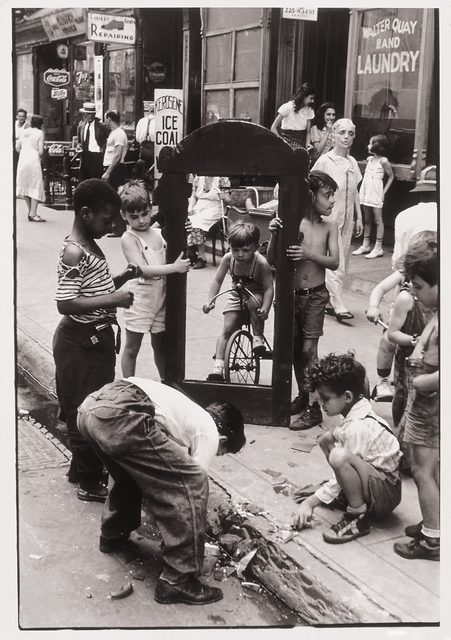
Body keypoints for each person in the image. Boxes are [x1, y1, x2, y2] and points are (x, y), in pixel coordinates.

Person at [77, 376, 246, 604]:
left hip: (93, 407)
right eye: (221, 451)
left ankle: (113, 535)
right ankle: (177, 581)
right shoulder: (209, 432)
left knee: (129, 472)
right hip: (121, 414)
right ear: (223, 438)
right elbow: (192, 485)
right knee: (193, 482)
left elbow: (164, 468)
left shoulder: (186, 411)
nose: (216, 453)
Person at [52, 179, 141, 503]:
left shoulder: (88, 245)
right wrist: (115, 299)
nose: (113, 225)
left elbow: (91, 290)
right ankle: (90, 482)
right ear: (86, 213)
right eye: (107, 219)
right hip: (80, 343)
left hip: (94, 340)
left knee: (87, 405)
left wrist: (120, 279)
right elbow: (65, 302)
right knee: (85, 411)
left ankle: (80, 470)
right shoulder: (75, 250)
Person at [291, 352, 402, 544]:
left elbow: (344, 460)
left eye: (325, 399)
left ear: (347, 396)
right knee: (326, 439)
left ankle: (358, 515)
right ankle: (348, 494)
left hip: (386, 494)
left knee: (338, 456)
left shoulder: (357, 426)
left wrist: (311, 502)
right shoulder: (355, 410)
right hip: (374, 481)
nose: (321, 404)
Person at [267, 171, 339, 430]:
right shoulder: (293, 223)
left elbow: (334, 261)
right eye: (327, 195)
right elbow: (272, 260)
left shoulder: (329, 227)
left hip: (316, 296)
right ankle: (304, 395)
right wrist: (274, 234)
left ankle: (316, 407)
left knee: (310, 350)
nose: (332, 201)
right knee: (295, 349)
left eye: (333, 196)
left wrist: (309, 254)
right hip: (291, 296)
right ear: (311, 197)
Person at [366, 166, 437, 401]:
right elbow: (391, 276)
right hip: (412, 289)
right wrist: (374, 306)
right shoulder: (408, 283)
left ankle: (386, 382)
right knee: (390, 338)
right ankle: (385, 381)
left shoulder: (405, 216)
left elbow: (396, 260)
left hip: (421, 285)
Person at [393, 240, 439, 561]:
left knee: (422, 472)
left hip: (430, 403)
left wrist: (425, 380)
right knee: (430, 470)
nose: (416, 293)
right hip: (423, 403)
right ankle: (433, 524)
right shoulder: (436, 312)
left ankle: (433, 540)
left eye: (420, 287)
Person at [118, 180, 191, 380]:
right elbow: (140, 269)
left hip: (161, 298)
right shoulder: (128, 238)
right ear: (124, 215)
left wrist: (184, 228)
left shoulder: (158, 233)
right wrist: (174, 268)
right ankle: (128, 384)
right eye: (134, 216)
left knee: (160, 346)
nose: (141, 220)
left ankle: (165, 383)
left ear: (151, 209)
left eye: (145, 214)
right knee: (132, 347)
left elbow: (177, 242)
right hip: (140, 299)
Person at [203, 221, 274, 381]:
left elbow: (269, 288)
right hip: (237, 294)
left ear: (255, 248)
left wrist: (266, 308)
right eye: (236, 249)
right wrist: (210, 301)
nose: (240, 254)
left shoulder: (261, 263)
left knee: (254, 303)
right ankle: (218, 366)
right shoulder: (229, 259)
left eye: (245, 250)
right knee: (227, 328)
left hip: (256, 293)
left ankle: (257, 337)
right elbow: (217, 280)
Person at [312, 118, 363, 320]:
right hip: (331, 216)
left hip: (347, 217)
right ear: (333, 135)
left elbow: (355, 192)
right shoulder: (326, 160)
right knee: (336, 257)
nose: (346, 137)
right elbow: (313, 184)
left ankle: (330, 299)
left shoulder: (351, 162)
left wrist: (359, 217)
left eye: (350, 134)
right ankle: (339, 303)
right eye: (342, 132)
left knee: (344, 257)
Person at [353, 135, 394, 259]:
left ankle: (378, 247)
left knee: (378, 220)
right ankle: (366, 245)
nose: (368, 146)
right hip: (366, 190)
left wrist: (384, 192)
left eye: (370, 144)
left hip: (376, 191)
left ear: (377, 146)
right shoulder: (370, 159)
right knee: (367, 219)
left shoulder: (384, 161)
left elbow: (391, 177)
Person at [186, 175, 231, 269]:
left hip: (215, 209)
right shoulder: (198, 178)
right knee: (187, 219)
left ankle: (201, 257)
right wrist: (190, 208)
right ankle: (191, 251)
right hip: (199, 207)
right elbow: (193, 196)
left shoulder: (222, 178)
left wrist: (224, 197)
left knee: (196, 222)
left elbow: (228, 200)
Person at [102, 109, 129, 237]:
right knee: (111, 198)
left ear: (109, 119)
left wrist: (108, 171)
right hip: (113, 168)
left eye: (105, 119)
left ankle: (119, 227)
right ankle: (114, 226)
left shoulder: (119, 134)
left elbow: (117, 155)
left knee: (115, 198)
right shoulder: (115, 133)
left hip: (115, 169)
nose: (104, 122)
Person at [15, 114, 46, 222]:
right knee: (36, 184)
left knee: (26, 185)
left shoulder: (24, 131)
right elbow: (41, 151)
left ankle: (30, 212)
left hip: (23, 159)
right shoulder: (40, 133)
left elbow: (17, 147)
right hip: (33, 159)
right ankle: (33, 213)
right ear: (41, 124)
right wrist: (39, 155)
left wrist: (24, 152)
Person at [270, 82, 316, 150]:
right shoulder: (288, 107)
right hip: (288, 139)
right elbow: (273, 127)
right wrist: (281, 142)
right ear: (303, 96)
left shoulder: (309, 109)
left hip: (302, 140)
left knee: (312, 154)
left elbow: (308, 131)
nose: (312, 101)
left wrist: (308, 143)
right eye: (311, 98)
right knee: (296, 154)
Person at [77, 102, 109, 181]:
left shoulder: (101, 126)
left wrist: (102, 149)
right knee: (84, 179)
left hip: (96, 156)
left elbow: (108, 140)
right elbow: (79, 141)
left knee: (95, 180)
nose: (90, 116)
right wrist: (78, 146)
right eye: (88, 114)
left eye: (92, 114)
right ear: (84, 115)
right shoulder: (81, 126)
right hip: (84, 156)